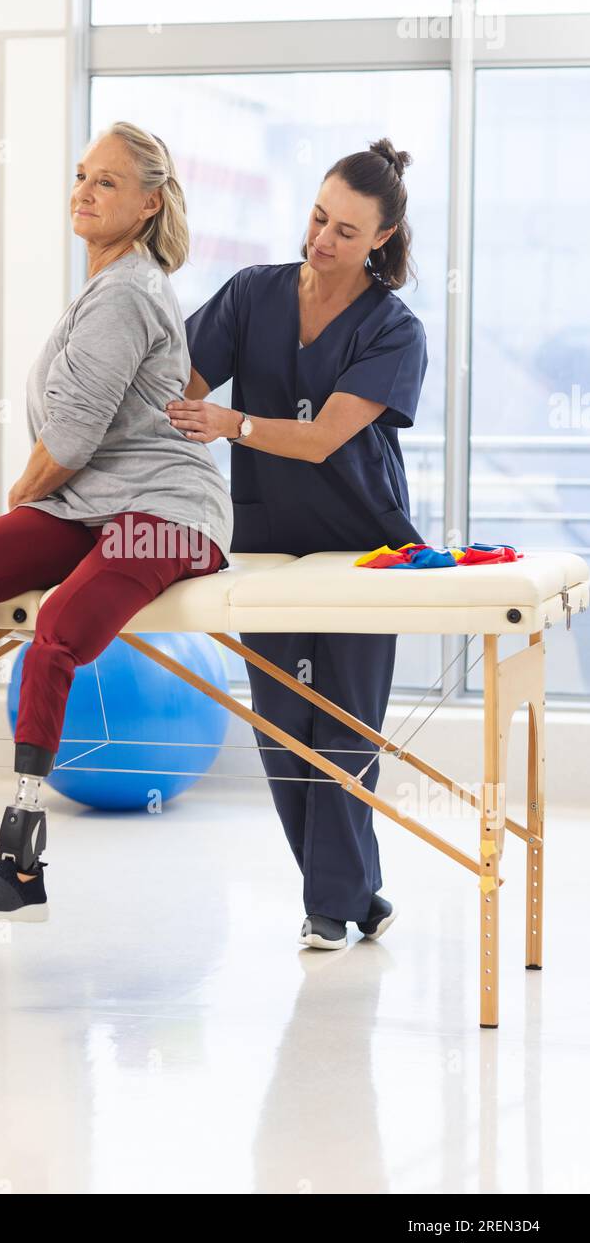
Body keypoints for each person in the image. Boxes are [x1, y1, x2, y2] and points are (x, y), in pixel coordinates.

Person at [0, 121, 233, 923]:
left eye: (106, 182)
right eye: (81, 175)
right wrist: (32, 515)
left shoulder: (130, 291)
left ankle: (22, 865)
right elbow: (79, 447)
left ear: (147, 205)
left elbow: (68, 439)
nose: (84, 190)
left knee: (61, 623)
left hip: (169, 513)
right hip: (94, 502)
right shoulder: (105, 286)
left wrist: (21, 500)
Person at [170, 138, 428, 951]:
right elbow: (179, 383)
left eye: (347, 232)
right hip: (268, 542)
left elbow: (321, 441)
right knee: (282, 725)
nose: (322, 239)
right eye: (318, 218)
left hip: (360, 547)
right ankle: (354, 894)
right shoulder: (251, 296)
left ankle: (328, 907)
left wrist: (233, 425)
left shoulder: (394, 330)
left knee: (344, 728)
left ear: (381, 239)